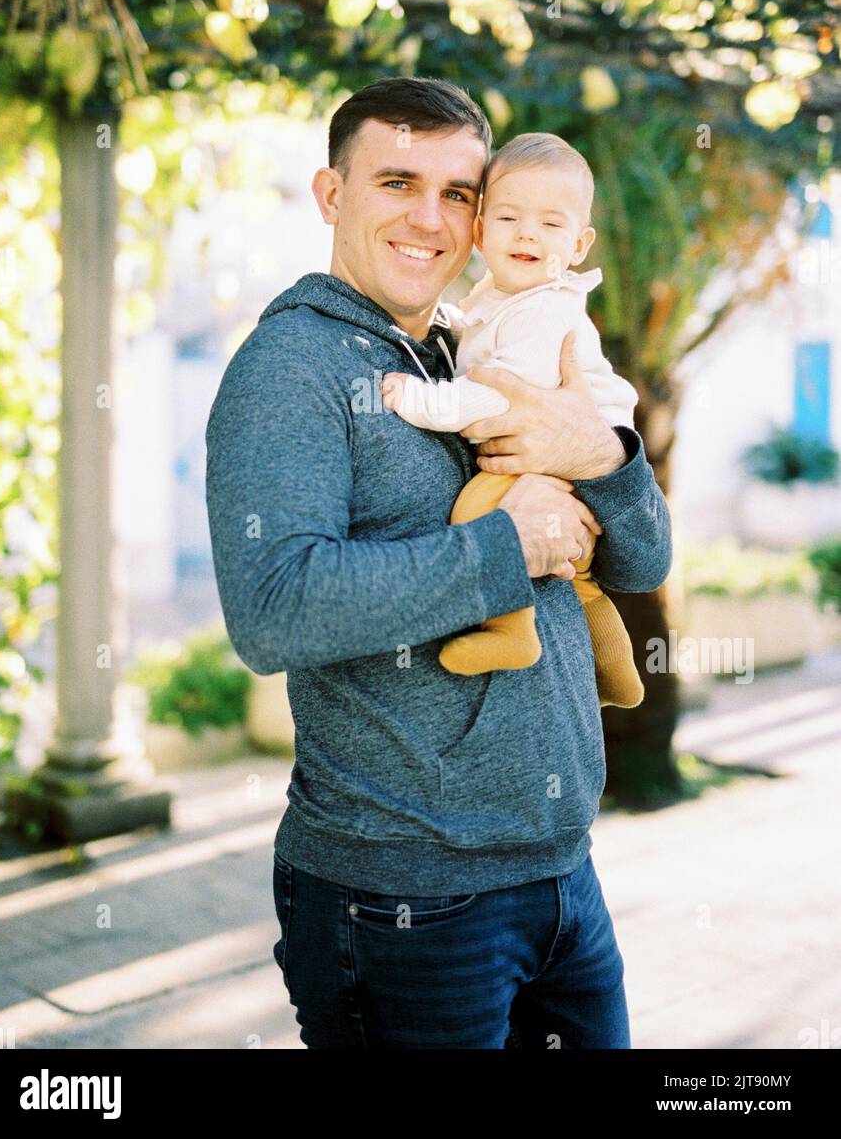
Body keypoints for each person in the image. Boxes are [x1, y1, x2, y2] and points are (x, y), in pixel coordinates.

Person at [205, 77, 672, 1049]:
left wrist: (602, 456)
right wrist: (511, 546)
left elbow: (644, 556)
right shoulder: (289, 371)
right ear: (331, 194)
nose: (430, 217)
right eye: (396, 181)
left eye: (458, 192)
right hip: (403, 903)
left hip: (560, 877)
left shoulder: (475, 352)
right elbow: (273, 609)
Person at [380, 130, 644, 708]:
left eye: (551, 224)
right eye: (508, 218)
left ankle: (511, 631)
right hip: (559, 459)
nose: (527, 233)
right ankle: (620, 679)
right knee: (583, 583)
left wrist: (424, 401)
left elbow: (496, 397)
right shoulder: (495, 297)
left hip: (565, 460)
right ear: (480, 231)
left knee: (476, 510)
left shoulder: (546, 311)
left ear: (579, 243)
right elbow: (472, 333)